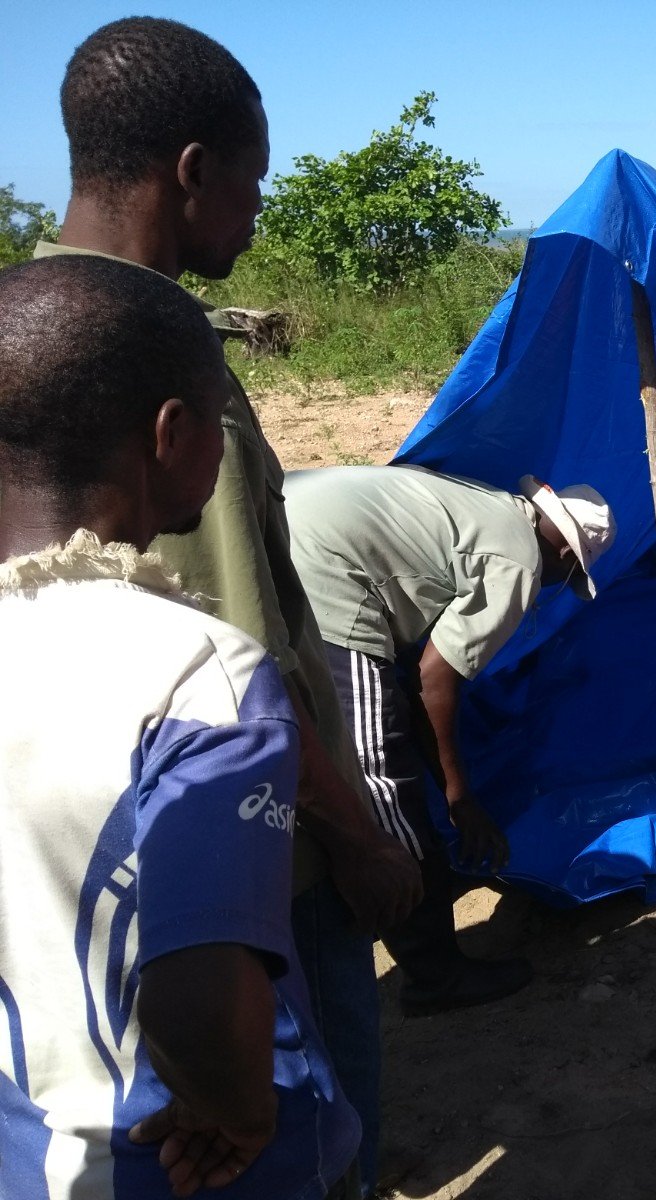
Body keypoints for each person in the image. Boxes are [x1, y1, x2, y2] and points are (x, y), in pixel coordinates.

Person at [43, 19, 422, 1191]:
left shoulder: (26, 333)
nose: (257, 215)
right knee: (303, 1141)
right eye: (252, 185)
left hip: (72, 848)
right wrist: (363, 839)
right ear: (192, 170)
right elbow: (228, 666)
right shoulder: (154, 366)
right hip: (252, 866)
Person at [0, 254, 360, 1199]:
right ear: (172, 435)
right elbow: (198, 991)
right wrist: (238, 1109)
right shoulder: (197, 670)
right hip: (174, 1160)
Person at [283, 464, 617, 1016]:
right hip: (323, 576)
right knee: (383, 782)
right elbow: (435, 678)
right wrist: (460, 798)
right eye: (568, 576)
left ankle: (337, 902)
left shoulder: (492, 506)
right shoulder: (520, 562)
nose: (557, 588)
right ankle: (433, 971)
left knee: (314, 743)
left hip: (283, 526)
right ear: (564, 556)